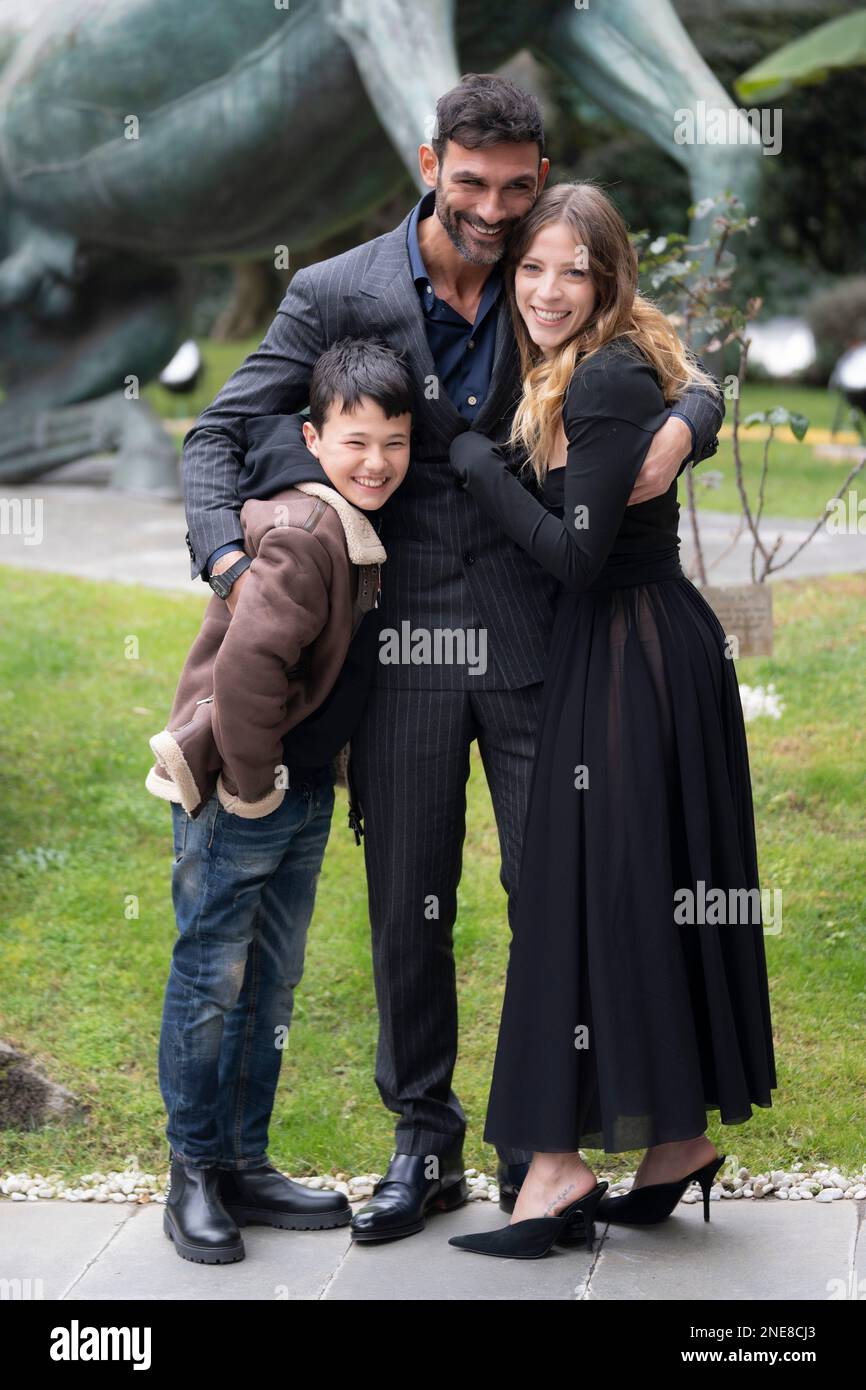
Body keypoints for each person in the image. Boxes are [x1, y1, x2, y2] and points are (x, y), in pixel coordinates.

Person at [181, 73, 725, 1244]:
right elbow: (224, 430)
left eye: (513, 187)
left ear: (538, 179)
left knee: (557, 895)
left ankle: (547, 1150)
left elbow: (665, 351)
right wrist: (232, 569)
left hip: (547, 640)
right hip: (402, 651)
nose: (493, 209)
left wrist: (691, 422)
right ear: (430, 166)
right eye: (469, 182)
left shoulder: (549, 255)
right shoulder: (338, 289)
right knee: (406, 909)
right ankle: (420, 1138)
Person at [445, 182, 776, 1262]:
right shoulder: (608, 362)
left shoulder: (604, 376)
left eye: (570, 271)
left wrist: (477, 467)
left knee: (588, 895)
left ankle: (553, 1172)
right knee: (627, 893)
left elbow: (577, 555)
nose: (545, 288)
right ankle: (671, 1142)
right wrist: (693, 415)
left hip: (631, 654)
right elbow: (694, 388)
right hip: (631, 651)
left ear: (606, 280)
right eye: (531, 267)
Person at [146, 338, 412, 1263]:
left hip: (296, 794)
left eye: (394, 443)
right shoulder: (307, 533)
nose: (375, 462)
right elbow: (251, 668)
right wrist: (253, 791)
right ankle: (194, 1174)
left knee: (271, 983)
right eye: (355, 443)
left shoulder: (357, 519)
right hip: (240, 794)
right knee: (214, 981)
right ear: (313, 438)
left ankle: (245, 1162)